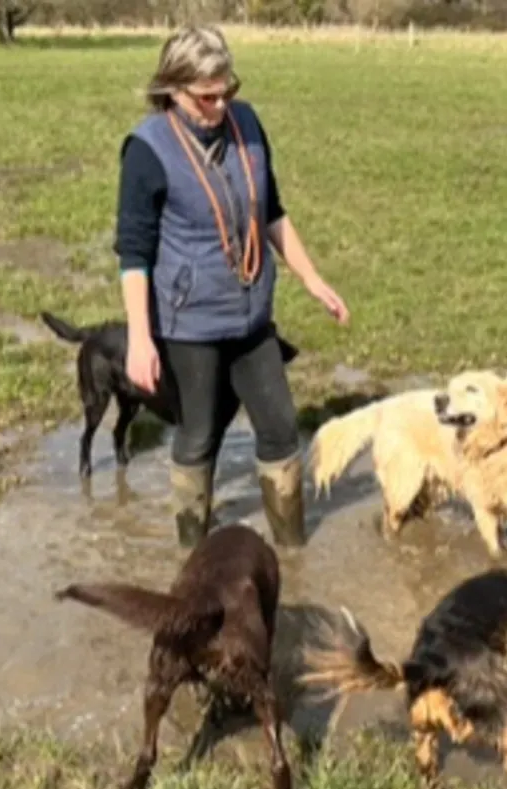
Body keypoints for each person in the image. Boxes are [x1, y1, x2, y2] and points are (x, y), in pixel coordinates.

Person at [114, 24, 349, 551]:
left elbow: (273, 212)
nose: (220, 105)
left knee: (281, 428)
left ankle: (291, 554)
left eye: (228, 91)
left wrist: (311, 278)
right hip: (188, 323)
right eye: (206, 97)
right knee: (198, 435)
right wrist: (139, 338)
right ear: (173, 90)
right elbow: (133, 253)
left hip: (251, 315)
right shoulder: (147, 150)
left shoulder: (247, 126)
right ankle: (193, 555)